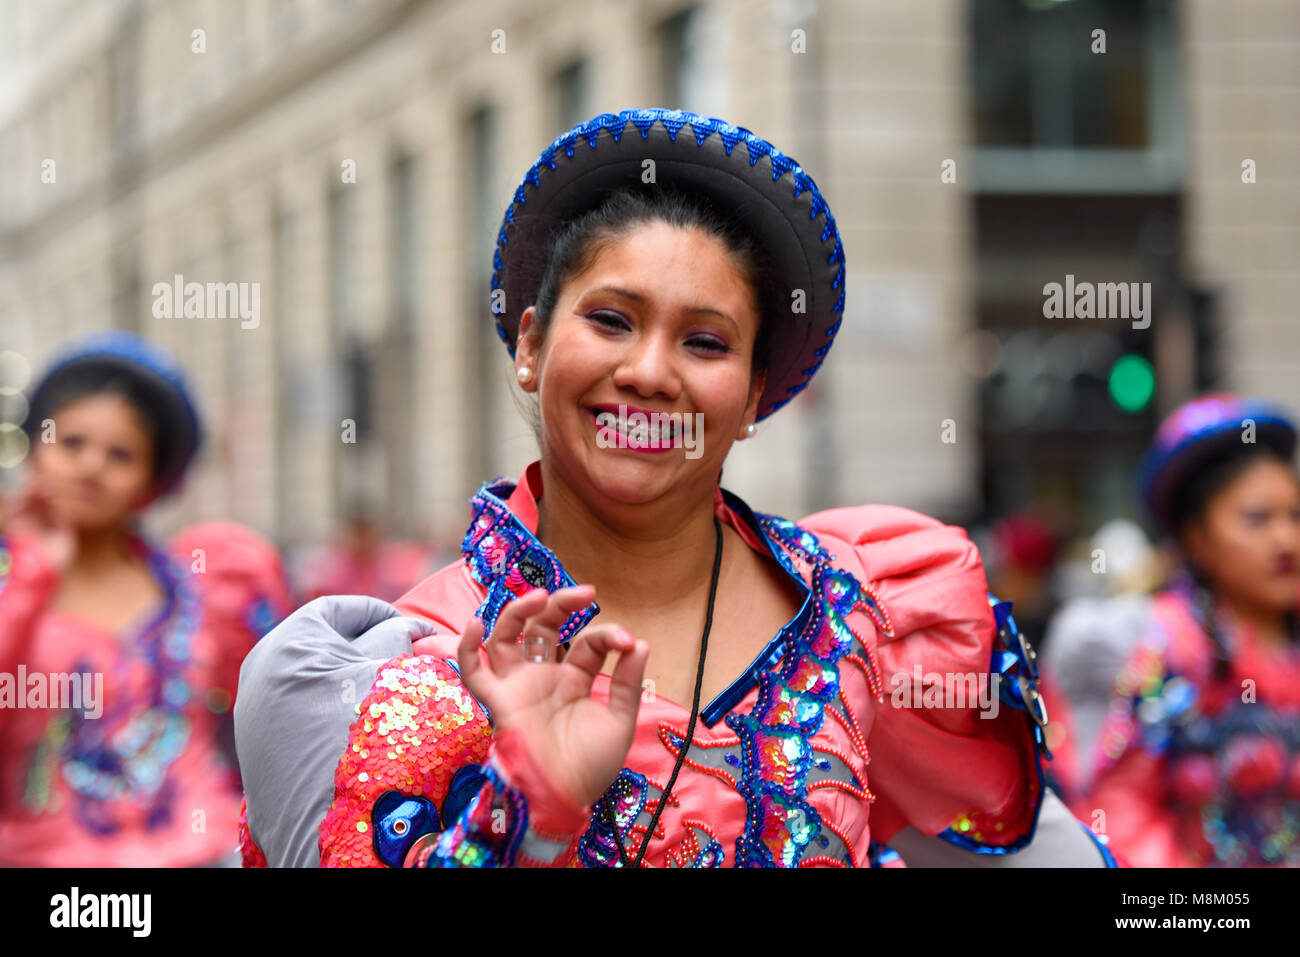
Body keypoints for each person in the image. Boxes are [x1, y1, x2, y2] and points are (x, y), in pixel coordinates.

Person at [234, 108, 1111, 868]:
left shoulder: (863, 614)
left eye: (706, 342)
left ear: (755, 396)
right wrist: (528, 807)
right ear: (532, 346)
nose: (649, 372)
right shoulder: (395, 667)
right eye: (611, 320)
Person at [0, 331, 293, 866]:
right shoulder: (9, 586)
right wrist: (31, 575)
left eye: (120, 454)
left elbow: (273, 730)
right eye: (71, 444)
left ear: (152, 481)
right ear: (35, 451)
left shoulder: (209, 582)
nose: (91, 466)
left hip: (203, 852)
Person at [1087, 394, 1300, 866]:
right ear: (1196, 539)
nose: (1286, 539)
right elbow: (1122, 806)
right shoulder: (1163, 643)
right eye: (1257, 519)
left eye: (1295, 516)